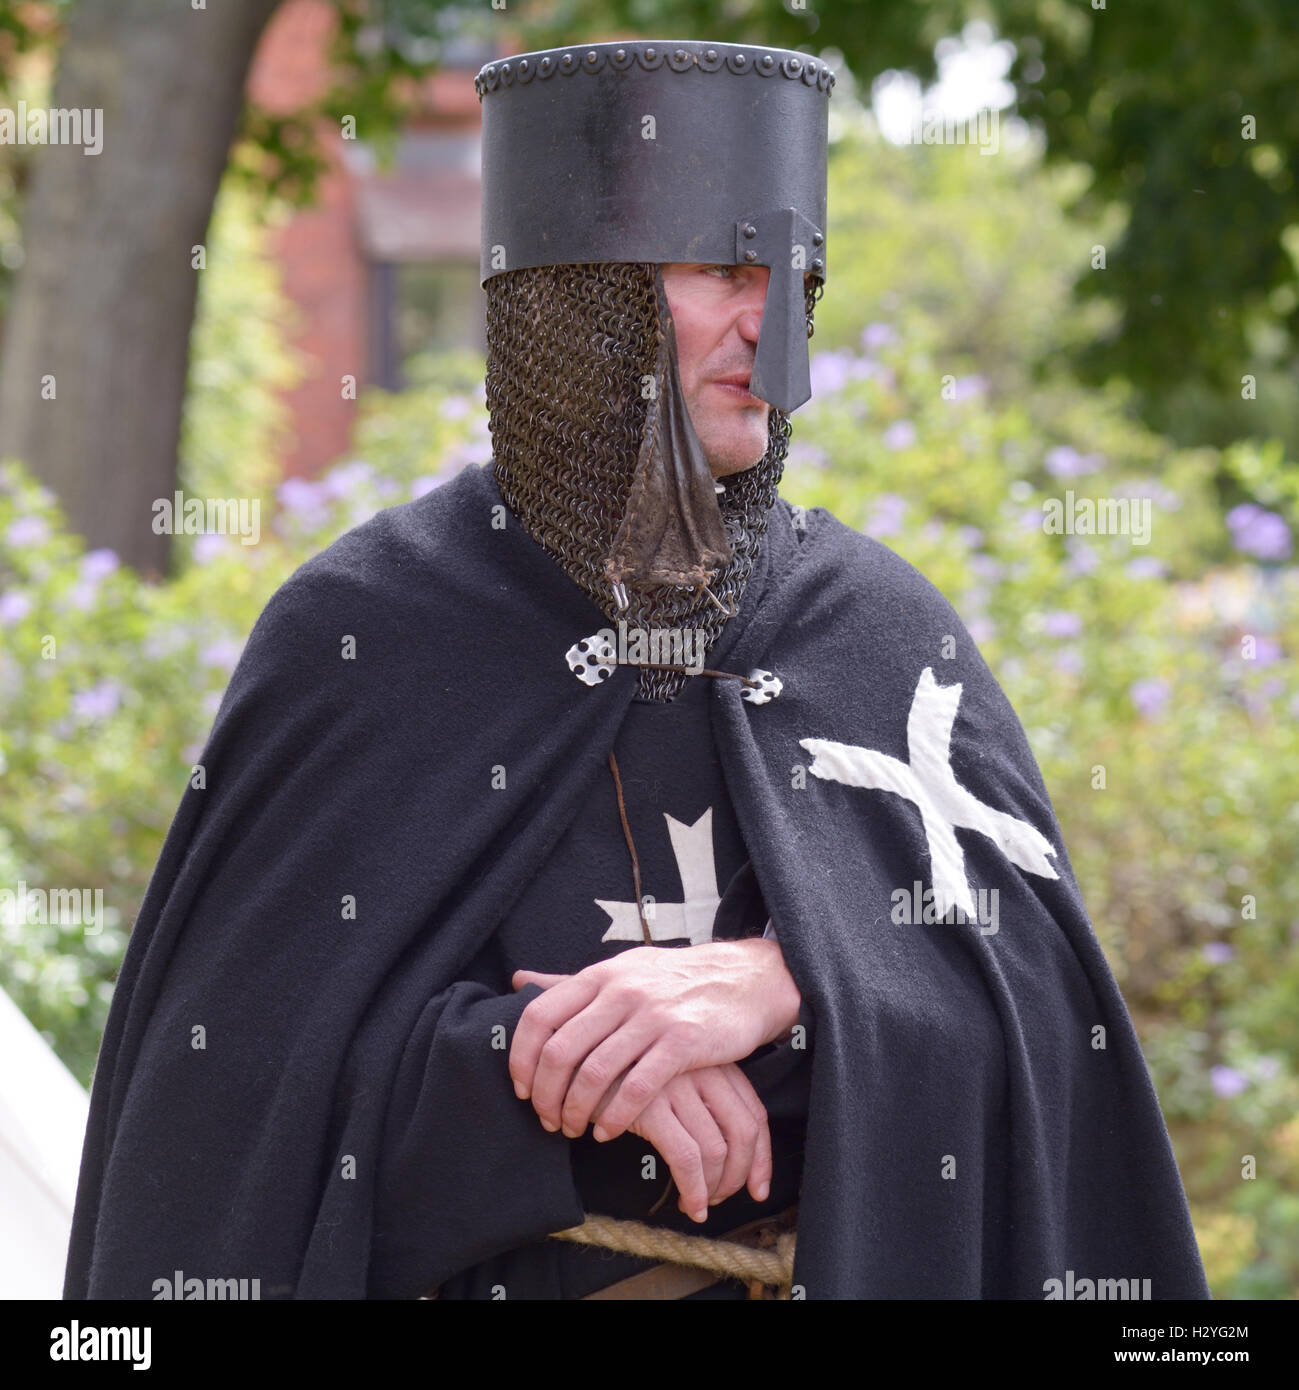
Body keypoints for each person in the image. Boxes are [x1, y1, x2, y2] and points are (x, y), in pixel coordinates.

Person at [64, 39, 1210, 1301]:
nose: (773, 328)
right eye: (726, 271)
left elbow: (1051, 1032)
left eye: (796, 279)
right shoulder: (368, 637)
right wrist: (535, 1062)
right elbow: (223, 1100)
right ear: (575, 298)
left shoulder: (873, 631)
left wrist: (789, 984)